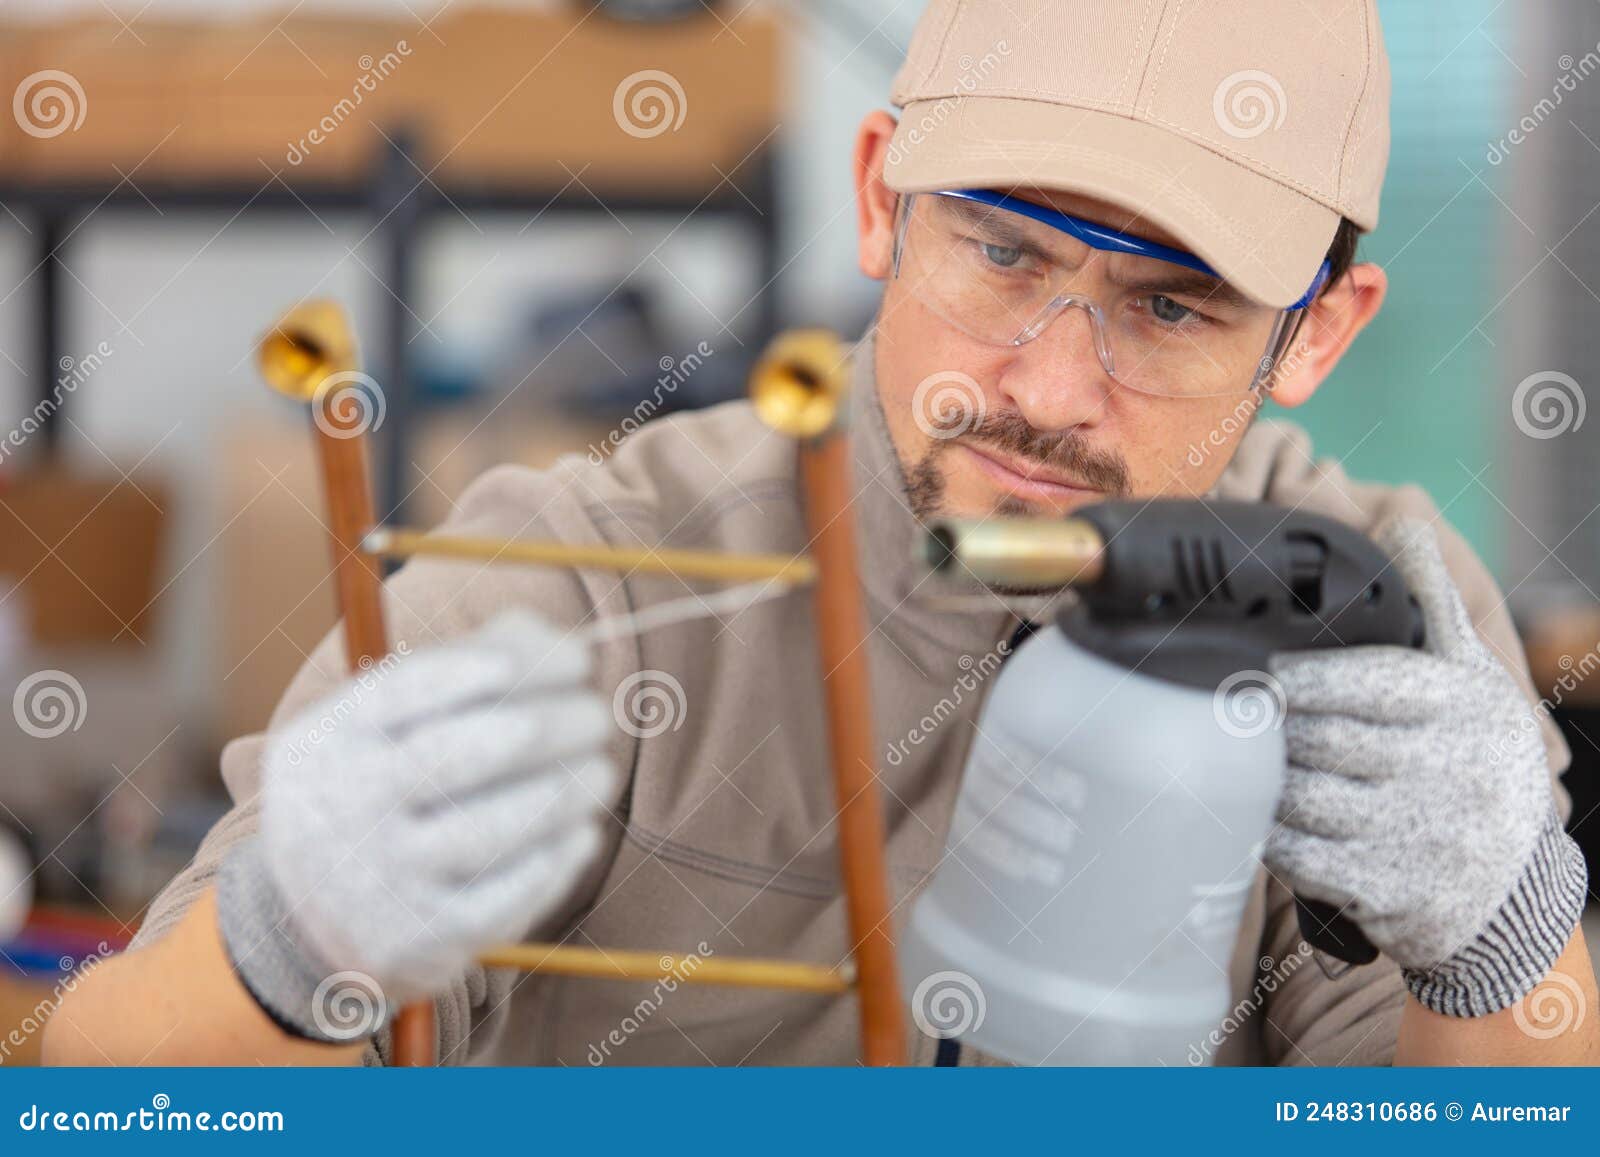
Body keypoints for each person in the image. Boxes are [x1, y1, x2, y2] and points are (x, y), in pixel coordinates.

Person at [47, 0, 1598, 1066]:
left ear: (1319, 332)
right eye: (1000, 252)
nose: (1051, 388)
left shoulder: (1375, 621)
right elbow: (116, 1106)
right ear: (880, 200)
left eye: (1171, 305)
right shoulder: (595, 582)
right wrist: (280, 940)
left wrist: (1500, 931)